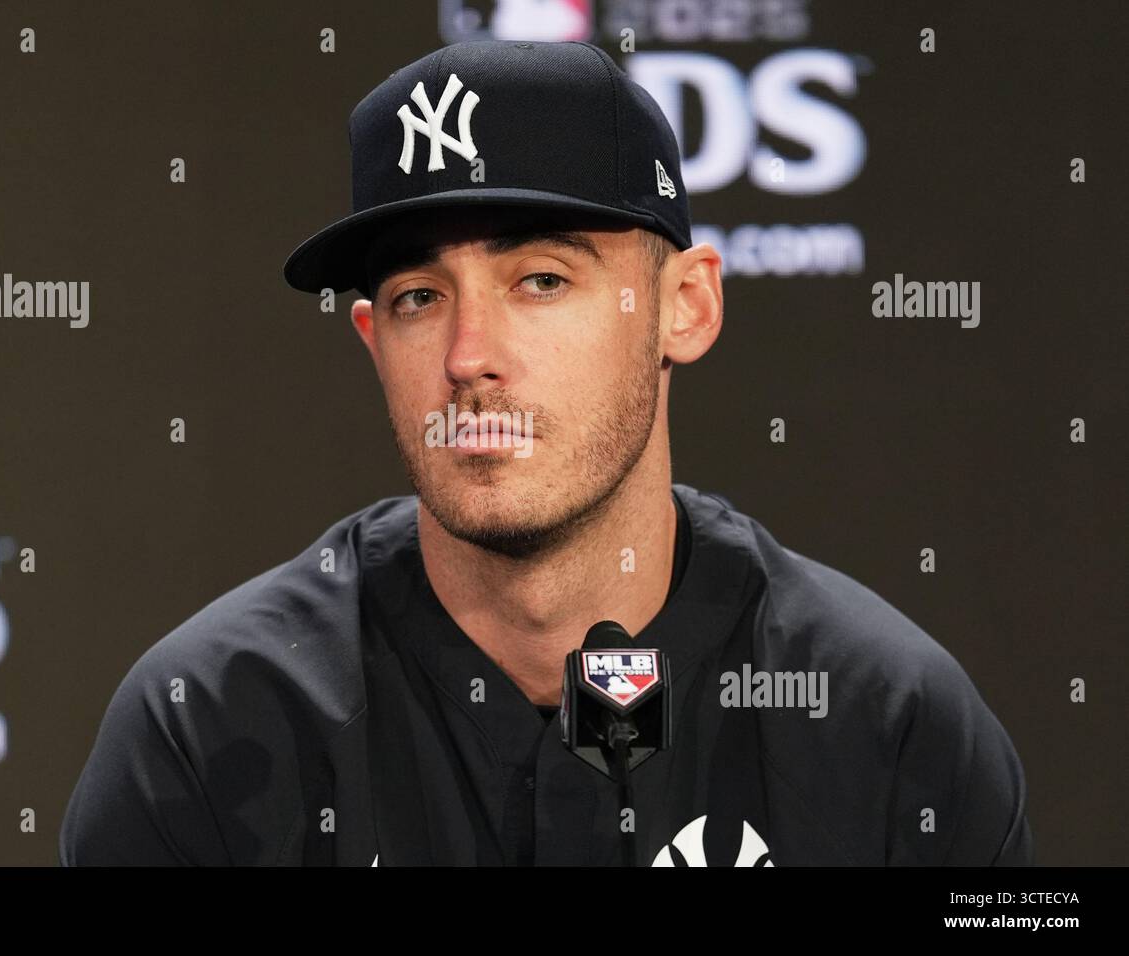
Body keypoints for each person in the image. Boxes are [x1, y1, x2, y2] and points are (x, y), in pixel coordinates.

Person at [59, 39, 1032, 866]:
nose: (469, 356)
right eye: (417, 297)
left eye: (540, 278)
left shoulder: (888, 726)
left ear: (684, 305)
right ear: (369, 337)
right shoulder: (205, 725)